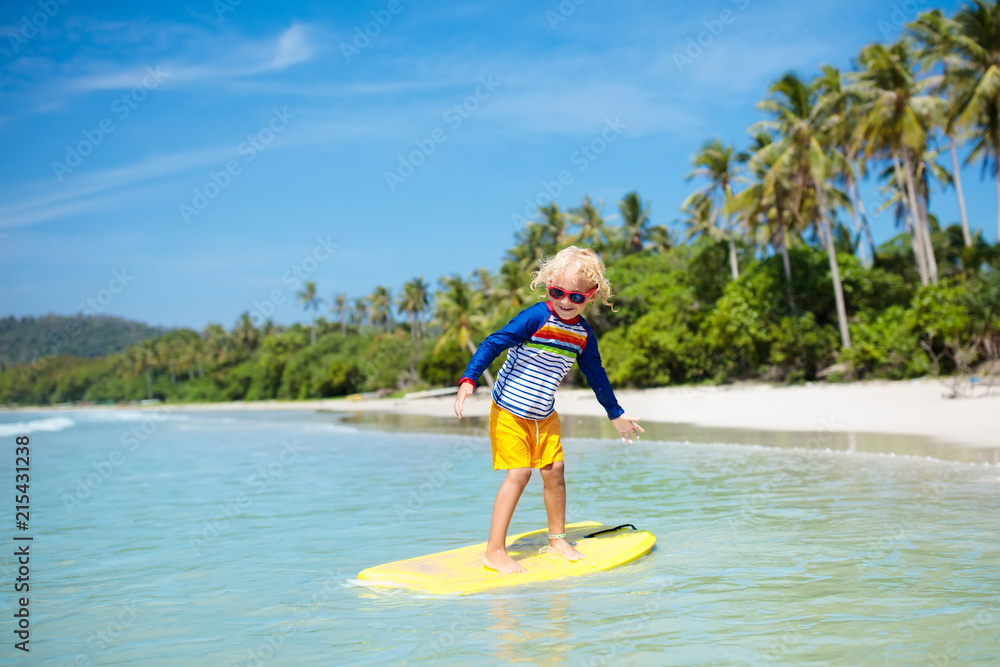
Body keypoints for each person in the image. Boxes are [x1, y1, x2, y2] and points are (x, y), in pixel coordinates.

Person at [453, 246, 643, 574]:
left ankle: (557, 539)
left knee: (555, 471)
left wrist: (616, 413)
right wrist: (469, 379)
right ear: (549, 285)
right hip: (509, 409)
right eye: (558, 292)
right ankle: (494, 550)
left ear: (592, 296)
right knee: (520, 474)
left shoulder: (583, 335)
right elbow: (493, 343)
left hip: (544, 414)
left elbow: (596, 376)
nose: (566, 302)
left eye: (576, 297)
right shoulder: (535, 318)